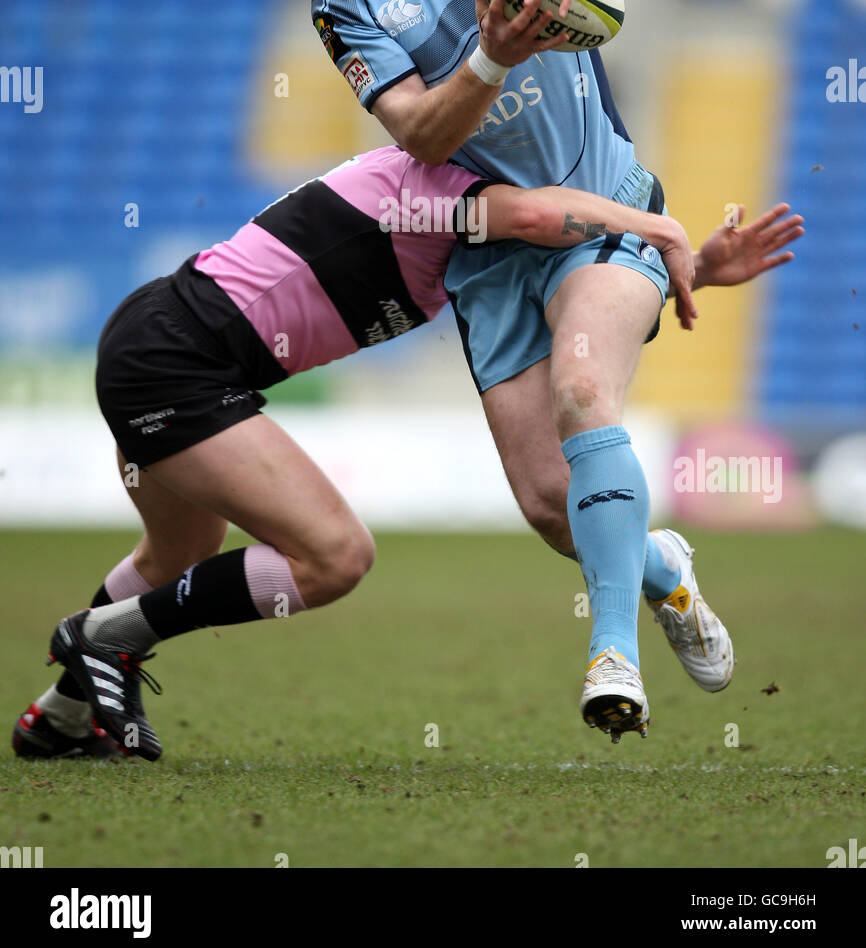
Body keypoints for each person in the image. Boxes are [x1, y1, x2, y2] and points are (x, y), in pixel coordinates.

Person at [307, 0, 804, 741]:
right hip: (490, 253)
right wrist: (493, 56)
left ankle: (612, 654)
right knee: (551, 509)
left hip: (606, 213)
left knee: (586, 389)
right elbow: (418, 130)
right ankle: (665, 572)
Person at [14, 142, 714, 761]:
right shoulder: (428, 186)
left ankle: (61, 717)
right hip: (174, 363)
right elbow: (538, 218)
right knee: (335, 556)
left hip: (164, 344)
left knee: (176, 555)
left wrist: (696, 268)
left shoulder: (463, 214)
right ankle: (107, 633)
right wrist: (654, 225)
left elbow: (574, 271)